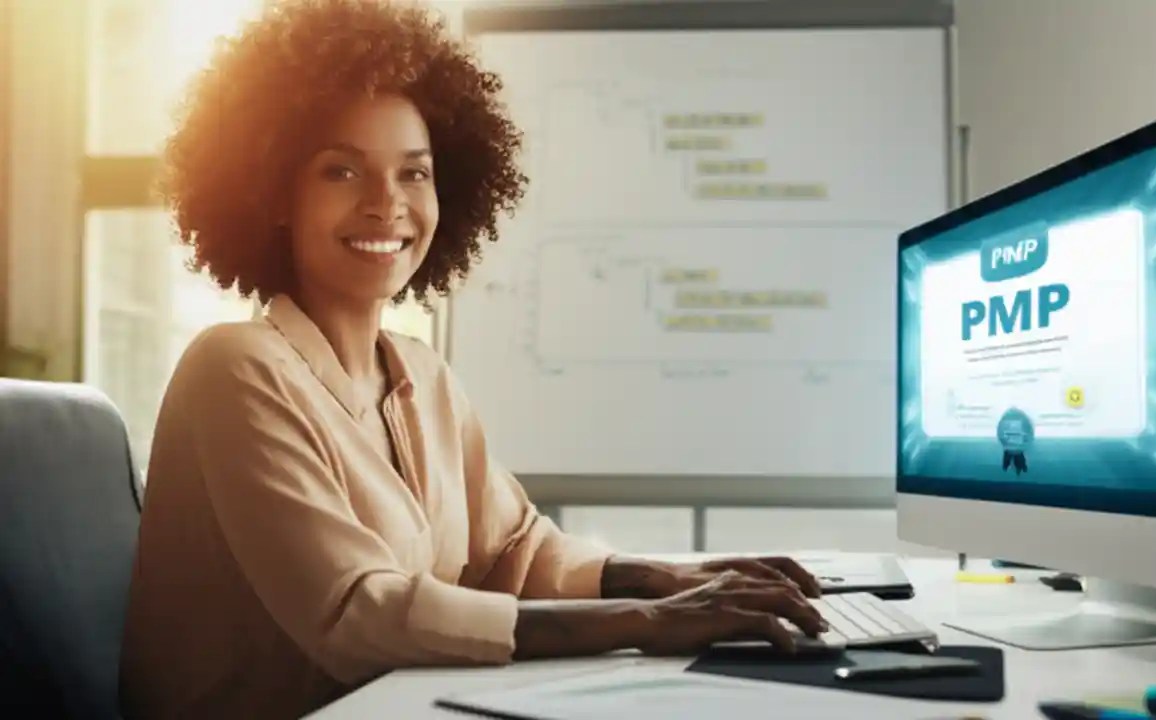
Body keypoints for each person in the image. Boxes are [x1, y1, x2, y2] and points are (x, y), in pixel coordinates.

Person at [117, 1, 827, 717]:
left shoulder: (422, 375)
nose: (386, 205)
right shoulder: (234, 368)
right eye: (341, 172)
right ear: (274, 193)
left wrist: (664, 579)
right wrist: (649, 625)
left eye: (414, 174)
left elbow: (512, 554)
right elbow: (358, 614)